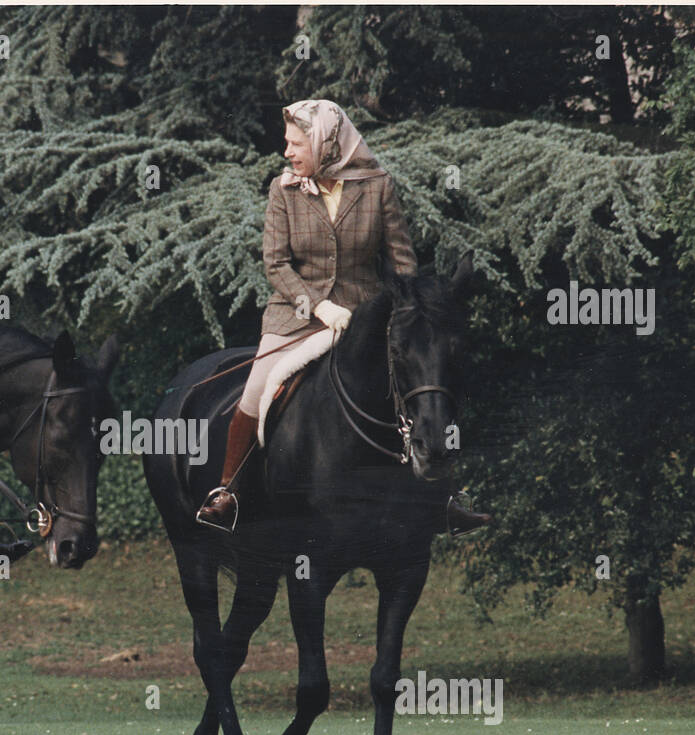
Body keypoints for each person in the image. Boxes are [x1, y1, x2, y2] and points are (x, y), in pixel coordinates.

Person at [196, 99, 491, 537]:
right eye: (288, 143)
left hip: (365, 317)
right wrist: (317, 305)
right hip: (295, 317)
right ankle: (229, 493)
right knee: (257, 388)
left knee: (419, 385)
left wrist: (413, 312)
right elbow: (276, 265)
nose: (288, 152)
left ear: (325, 143)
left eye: (296, 143)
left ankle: (441, 498)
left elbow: (402, 262)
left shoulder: (378, 187)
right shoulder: (284, 189)